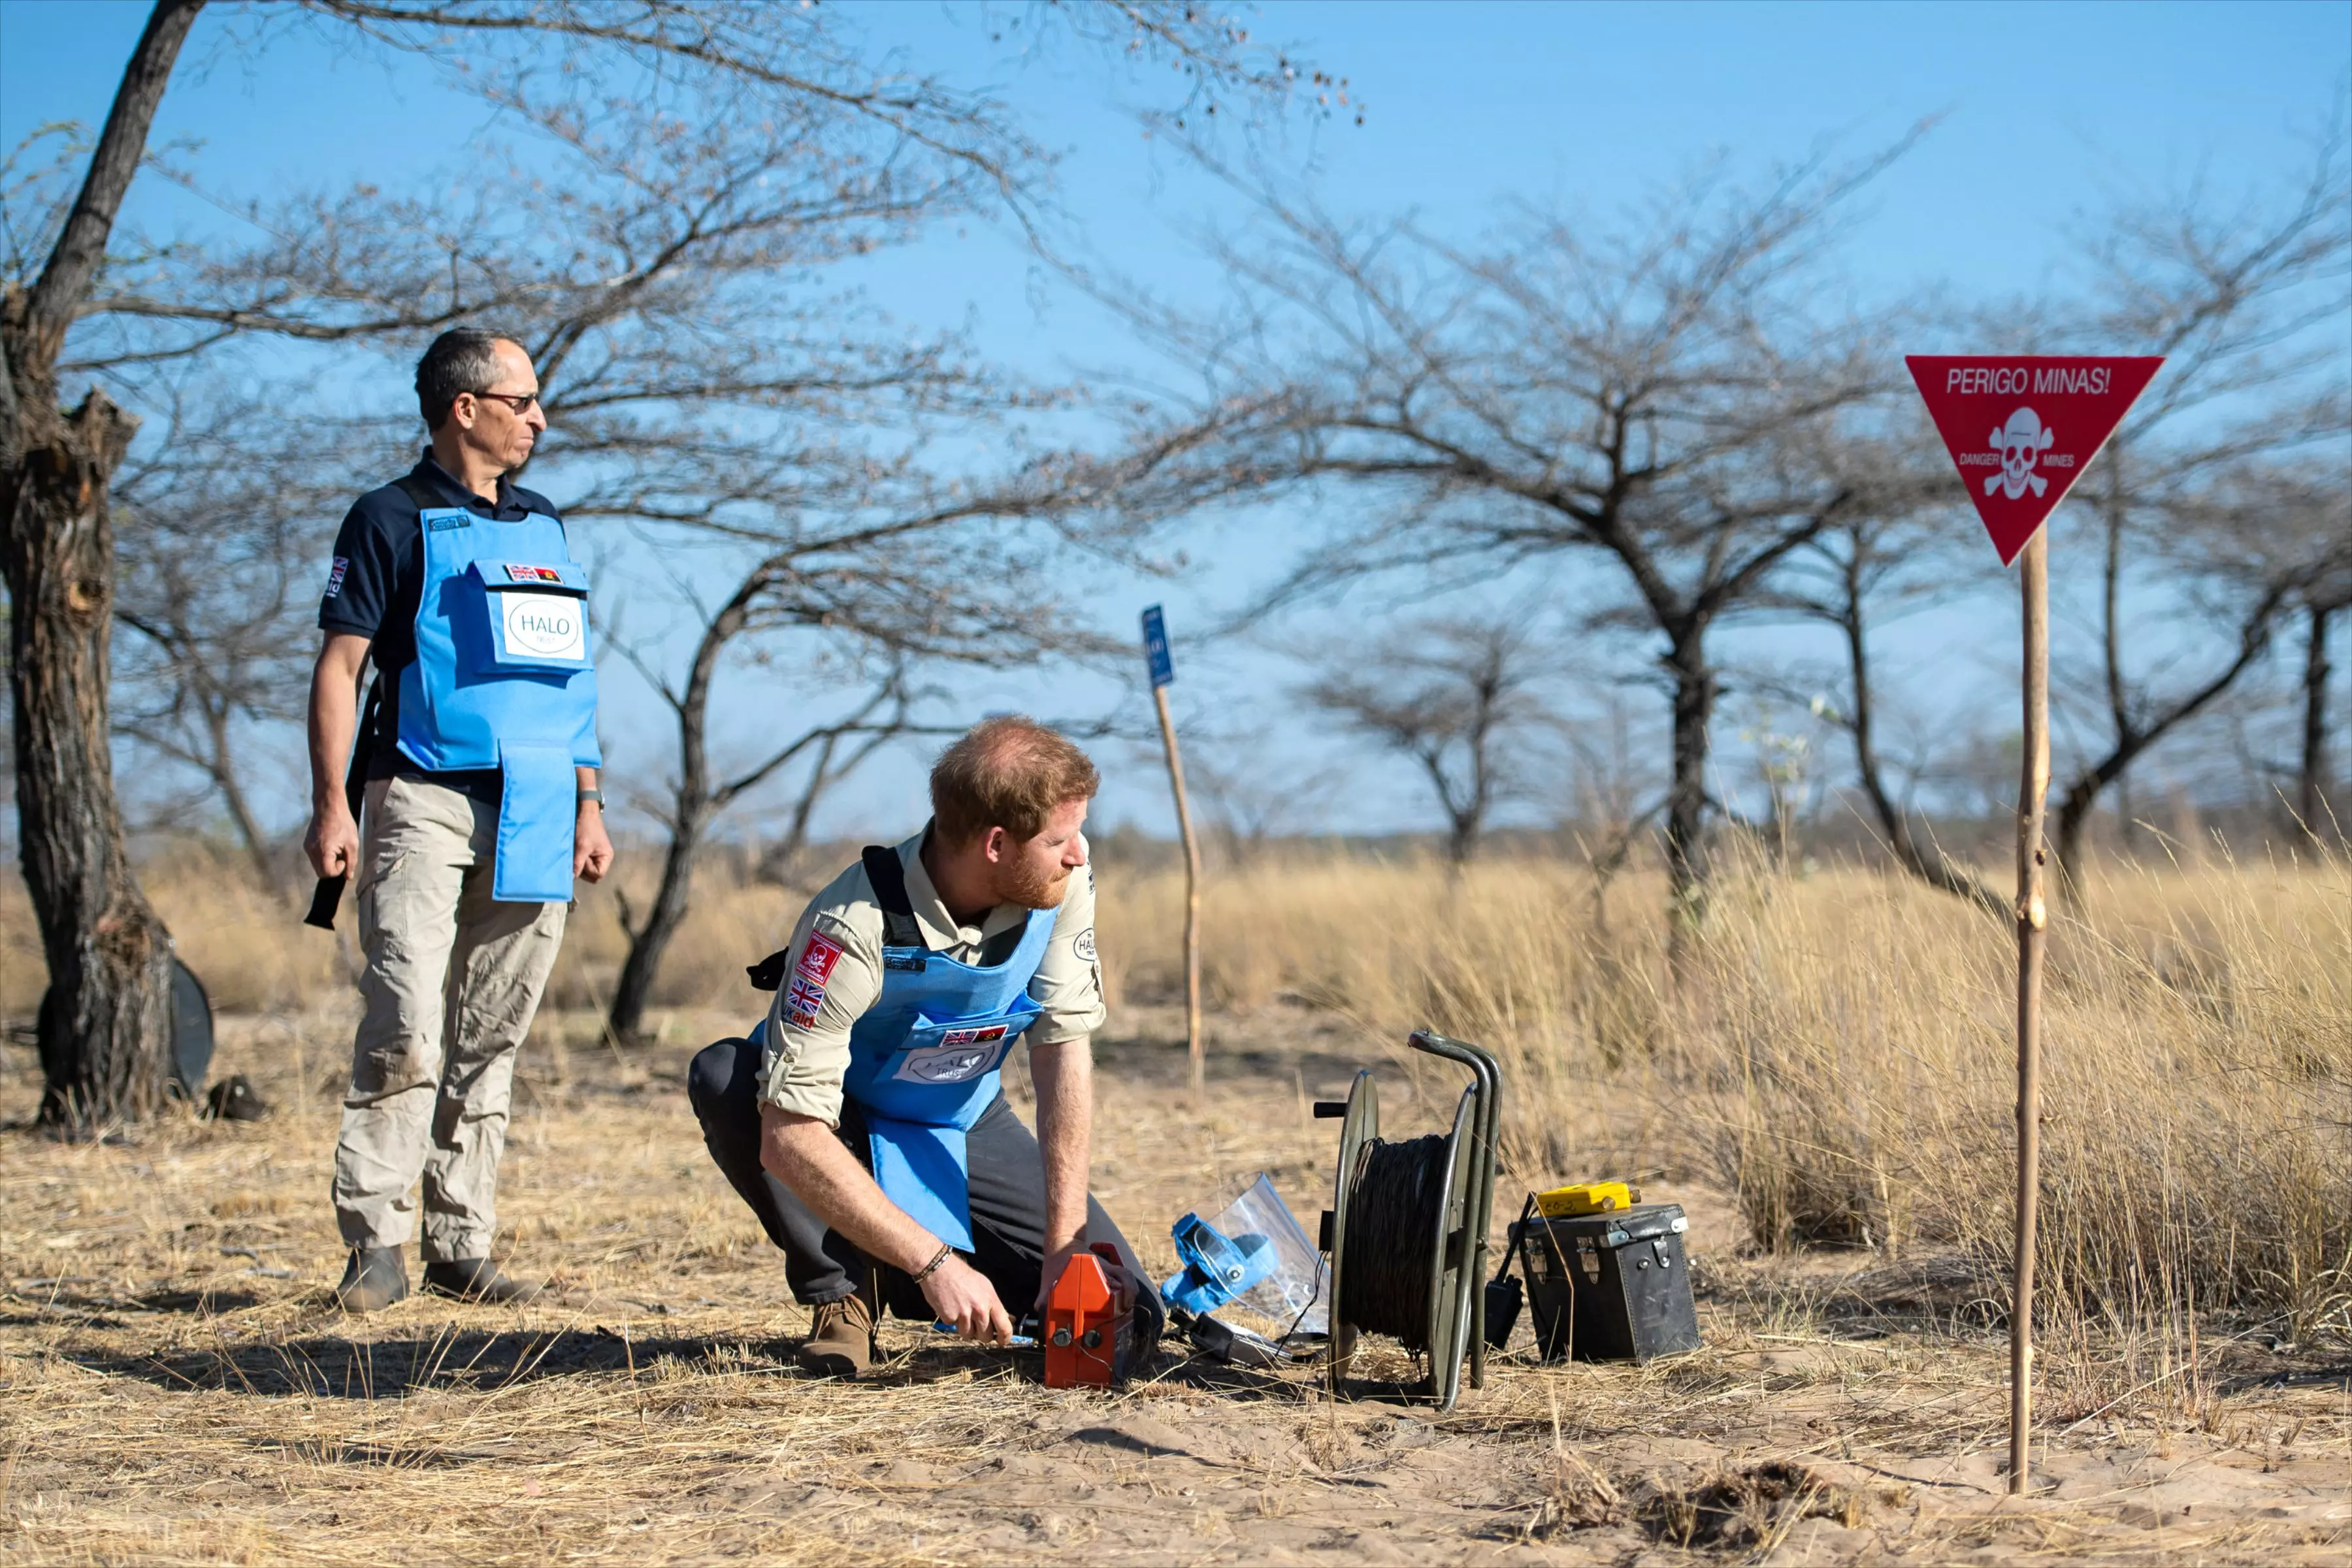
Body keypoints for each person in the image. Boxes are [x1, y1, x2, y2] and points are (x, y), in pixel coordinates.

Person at [689, 717, 1162, 1378]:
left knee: (1127, 1314)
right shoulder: (848, 927)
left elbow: (1063, 1051)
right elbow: (790, 1137)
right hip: (841, 1125)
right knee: (725, 1073)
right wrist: (934, 1263)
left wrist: (1064, 1245)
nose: (1079, 853)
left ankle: (900, 1267)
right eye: (1060, 839)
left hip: (962, 1117)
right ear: (995, 844)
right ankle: (845, 1292)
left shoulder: (1060, 889)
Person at [304, 327, 613, 1313]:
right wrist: (329, 804)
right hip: (420, 797)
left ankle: (459, 1244)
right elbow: (340, 670)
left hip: (537, 805)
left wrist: (589, 804)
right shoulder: (387, 518)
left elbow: (569, 684)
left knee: (493, 1034)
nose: (539, 419)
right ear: (464, 408)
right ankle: (375, 1245)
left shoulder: (546, 524)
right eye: (523, 401)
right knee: (407, 1020)